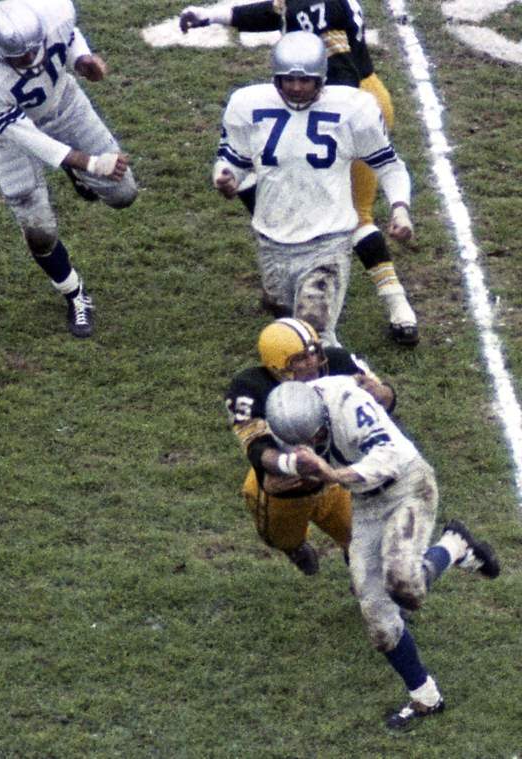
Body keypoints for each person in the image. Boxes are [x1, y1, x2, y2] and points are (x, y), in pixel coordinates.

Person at [265, 377, 500, 728]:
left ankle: (454, 544)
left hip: (407, 484)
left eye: (315, 437)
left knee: (406, 588)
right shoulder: (286, 419)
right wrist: (284, 474)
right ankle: (425, 697)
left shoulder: (345, 404)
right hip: (366, 503)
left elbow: (386, 459)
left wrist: (331, 473)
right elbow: (272, 470)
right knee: (376, 614)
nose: (311, 444)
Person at [180, 0, 419, 345]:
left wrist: (320, 108)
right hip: (339, 96)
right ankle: (300, 266)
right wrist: (210, 16)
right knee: (264, 175)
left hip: (345, 100)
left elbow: (337, 63)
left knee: (353, 212)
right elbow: (273, 12)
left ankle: (397, 306)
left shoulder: (324, 36)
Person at [0, 0, 137, 338]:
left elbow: (68, 37)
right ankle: (74, 293)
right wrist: (93, 163)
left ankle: (76, 173)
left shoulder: (53, 9)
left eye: (33, 51)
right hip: (6, 135)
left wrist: (82, 59)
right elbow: (33, 141)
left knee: (124, 193)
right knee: (39, 231)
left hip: (62, 101)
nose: (31, 61)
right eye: (20, 59)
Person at [225, 316, 395, 574]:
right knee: (282, 538)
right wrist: (288, 465)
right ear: (276, 365)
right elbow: (256, 446)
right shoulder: (251, 387)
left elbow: (385, 403)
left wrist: (382, 394)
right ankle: (294, 547)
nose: (312, 362)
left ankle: (372, 587)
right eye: (300, 358)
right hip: (288, 487)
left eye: (314, 352)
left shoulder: (338, 362)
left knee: (366, 543)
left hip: (337, 476)